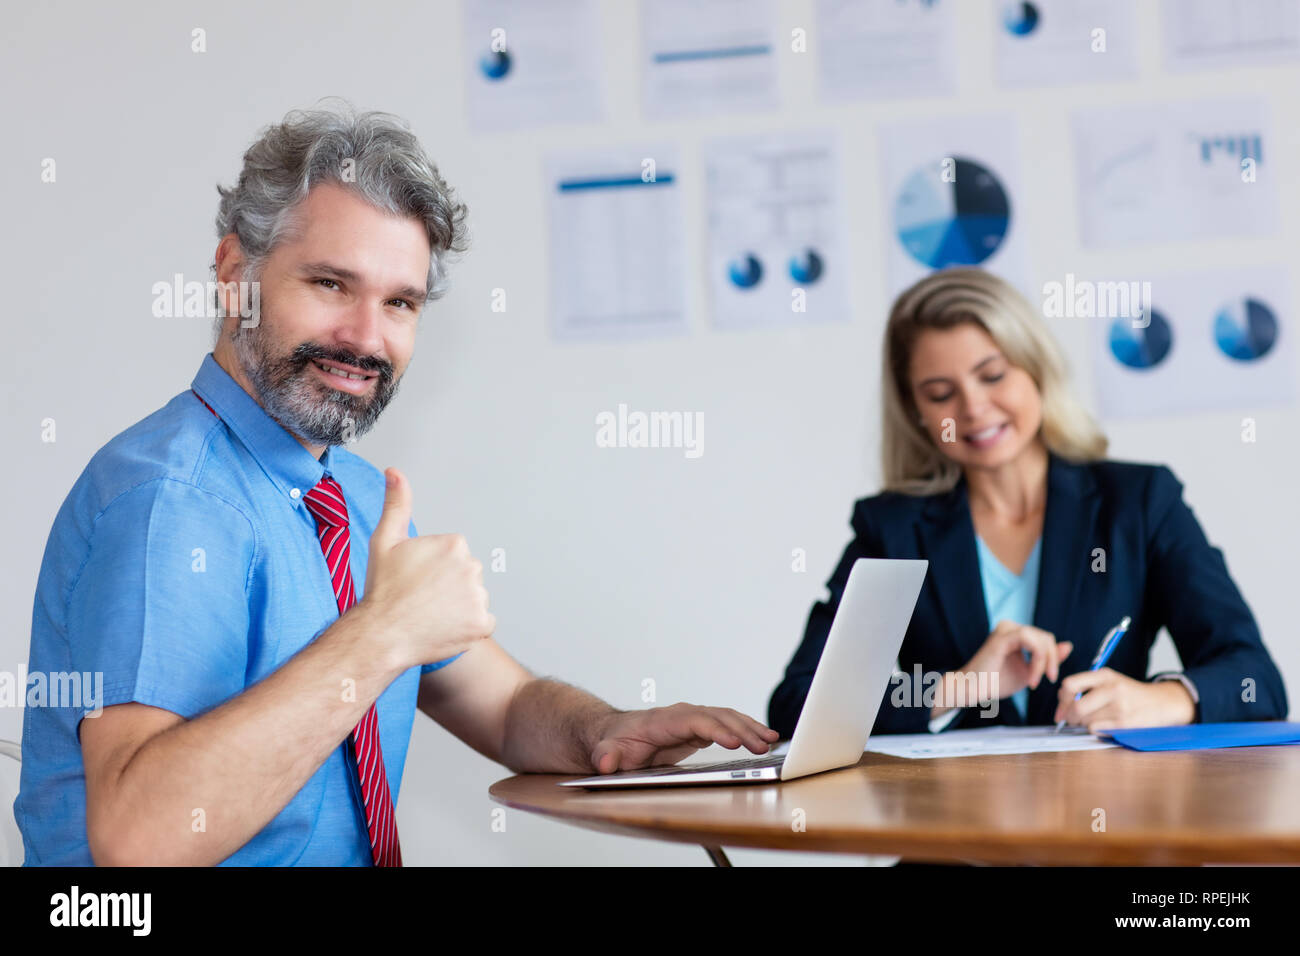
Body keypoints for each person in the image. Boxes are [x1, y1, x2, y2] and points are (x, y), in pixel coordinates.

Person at [16, 102, 778, 866]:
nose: (366, 338)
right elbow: (138, 840)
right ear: (232, 276)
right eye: (329, 283)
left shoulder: (353, 497)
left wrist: (609, 732)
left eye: (400, 303)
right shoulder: (171, 502)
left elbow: (508, 709)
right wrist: (381, 634)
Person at [769, 267, 1287, 740]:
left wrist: (1162, 700)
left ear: (1036, 372)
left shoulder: (1139, 501)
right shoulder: (891, 528)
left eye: (993, 376)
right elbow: (797, 704)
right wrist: (957, 688)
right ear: (915, 412)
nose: (973, 408)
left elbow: (1256, 680)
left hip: (1111, 823)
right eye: (939, 392)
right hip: (953, 834)